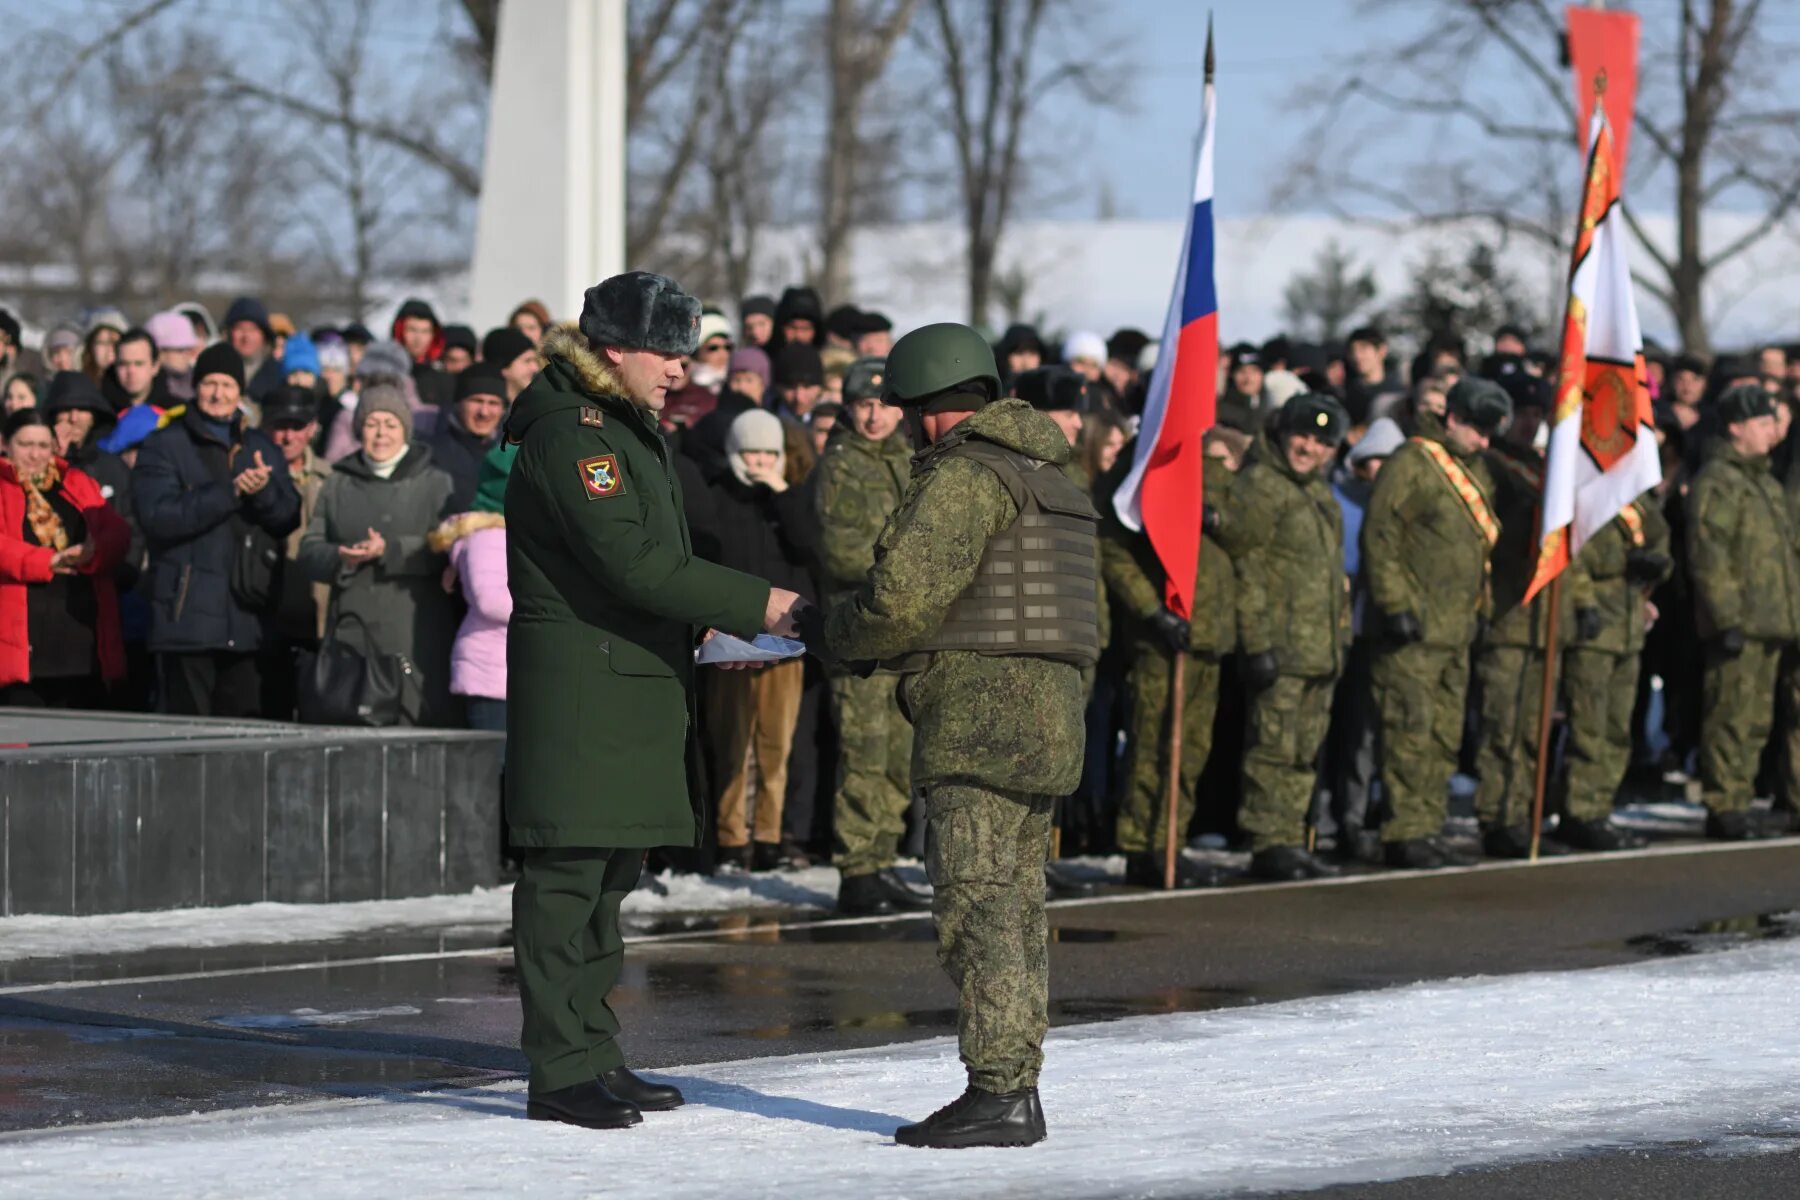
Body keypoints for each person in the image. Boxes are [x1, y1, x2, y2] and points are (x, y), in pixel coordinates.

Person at [502, 271, 804, 1131]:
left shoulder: (625, 426)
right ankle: (560, 1069)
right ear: (612, 351)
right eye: (666, 353)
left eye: (686, 352)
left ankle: (592, 1050)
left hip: (626, 677)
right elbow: (631, 564)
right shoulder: (574, 434)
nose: (681, 369)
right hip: (584, 691)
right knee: (566, 883)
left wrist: (707, 633)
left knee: (606, 882)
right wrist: (764, 604)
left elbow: (638, 572)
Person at [814, 322, 1098, 1149]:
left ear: (930, 408)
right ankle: (1016, 1083)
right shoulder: (1050, 478)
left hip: (978, 719)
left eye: (906, 409)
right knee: (1014, 906)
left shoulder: (967, 475)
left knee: (976, 909)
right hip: (1048, 718)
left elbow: (901, 599)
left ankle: (1000, 1092)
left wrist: (832, 633)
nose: (901, 424)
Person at [1363, 377, 1510, 868]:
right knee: (1409, 728)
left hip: (1456, 627)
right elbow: (1380, 536)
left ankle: (1427, 823)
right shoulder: (1414, 463)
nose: (1485, 443)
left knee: (1443, 733)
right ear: (1454, 419)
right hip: (1415, 627)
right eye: (1479, 431)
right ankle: (1404, 830)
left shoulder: (1475, 470)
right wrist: (1394, 604)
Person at [1215, 394, 1350, 880]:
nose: (1308, 447)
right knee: (1273, 747)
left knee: (1303, 749)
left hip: (1319, 648)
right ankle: (1270, 840)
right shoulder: (1263, 485)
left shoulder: (1317, 493)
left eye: (1320, 440)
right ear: (1281, 433)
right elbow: (1247, 565)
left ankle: (1291, 835)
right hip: (1281, 644)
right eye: (1301, 435)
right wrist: (1257, 642)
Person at [811, 358, 925, 915]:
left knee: (897, 755)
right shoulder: (841, 464)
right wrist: (900, 571)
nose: (874, 416)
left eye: (883, 405)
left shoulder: (910, 459)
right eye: (862, 406)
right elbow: (839, 547)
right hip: (859, 630)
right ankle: (858, 869)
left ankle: (881, 859)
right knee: (864, 752)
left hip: (903, 631)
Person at [133, 343, 300, 716]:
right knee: (186, 745)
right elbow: (158, 516)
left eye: (227, 384)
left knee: (242, 750)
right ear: (196, 386)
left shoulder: (260, 446)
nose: (218, 393)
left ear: (239, 391)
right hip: (185, 623)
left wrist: (263, 492)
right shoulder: (164, 445)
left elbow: (288, 515)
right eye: (210, 383)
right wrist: (232, 491)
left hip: (249, 623)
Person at [1103, 430, 1238, 889]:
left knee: (1192, 748)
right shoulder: (1144, 463)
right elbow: (1114, 549)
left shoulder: (1215, 465)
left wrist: (1215, 517)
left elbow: (1251, 533)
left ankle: (1171, 842)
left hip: (1207, 633)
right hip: (1161, 637)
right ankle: (1141, 845)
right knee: (1152, 742)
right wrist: (1152, 611)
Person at [1469, 370, 1591, 858]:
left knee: (1535, 729)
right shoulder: (1488, 467)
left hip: (1545, 619)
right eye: (1521, 414)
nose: (1529, 424)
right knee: (1504, 724)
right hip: (1508, 614)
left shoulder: (1547, 469)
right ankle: (1498, 817)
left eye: (1538, 415)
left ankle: (1525, 814)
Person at [694, 408, 819, 871]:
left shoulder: (790, 499)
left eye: (770, 452)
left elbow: (810, 545)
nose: (762, 462)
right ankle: (731, 840)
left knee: (776, 747)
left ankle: (768, 837)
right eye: (752, 452)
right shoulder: (718, 498)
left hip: (784, 651)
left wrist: (782, 494)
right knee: (731, 745)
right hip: (730, 644)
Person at [299, 385, 457, 727]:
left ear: (405, 430)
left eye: (390, 423)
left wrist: (391, 550)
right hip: (352, 631)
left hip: (415, 632)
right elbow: (309, 550)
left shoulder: (436, 483)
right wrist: (340, 556)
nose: (381, 433)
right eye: (372, 423)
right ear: (358, 430)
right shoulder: (337, 482)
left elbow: (448, 551)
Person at [1687, 385, 1800, 839]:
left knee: (1756, 722)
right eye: (1760, 423)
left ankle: (1740, 798)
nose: (1770, 432)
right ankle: (1725, 803)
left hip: (1774, 619)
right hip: (1742, 623)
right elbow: (1709, 554)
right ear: (1736, 427)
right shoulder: (1719, 480)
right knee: (1730, 715)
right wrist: (1725, 617)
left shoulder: (1765, 482)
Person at [1557, 488, 1670, 849]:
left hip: (1628, 624)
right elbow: (1570, 554)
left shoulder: (1633, 494)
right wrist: (1583, 601)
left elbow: (1659, 536)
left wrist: (1657, 565)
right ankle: (1580, 812)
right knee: (1589, 725)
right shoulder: (1587, 491)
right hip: (1595, 628)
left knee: (1617, 729)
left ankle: (1600, 807)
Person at [0, 409, 131, 706]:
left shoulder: (75, 482)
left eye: (43, 446)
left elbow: (118, 532)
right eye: (25, 444)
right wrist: (46, 561)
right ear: (5, 444)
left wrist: (94, 552)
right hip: (24, 647)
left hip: (80, 643)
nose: (35, 454)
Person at [1317, 416, 1403, 862]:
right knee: (1326, 726)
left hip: (1376, 634)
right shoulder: (1337, 500)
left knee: (1364, 733)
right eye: (1377, 462)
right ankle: (1318, 818)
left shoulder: (1400, 508)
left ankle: (1353, 815)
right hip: (1335, 632)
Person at [429, 442, 515, 734]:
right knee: (497, 768)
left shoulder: (517, 533)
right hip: (491, 676)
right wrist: (553, 611)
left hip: (511, 671)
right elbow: (489, 600)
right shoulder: (489, 535)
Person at [263, 387, 333, 716]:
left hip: (316, 617)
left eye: (297, 426)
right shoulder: (255, 474)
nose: (288, 436)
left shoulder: (332, 478)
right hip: (267, 616)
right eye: (280, 426)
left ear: (312, 428)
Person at [430, 364, 506, 513]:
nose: (484, 412)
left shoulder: (511, 456)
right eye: (476, 401)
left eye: (493, 403)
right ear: (458, 404)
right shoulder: (433, 454)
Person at [221, 297, 287, 404]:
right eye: (240, 329)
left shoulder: (280, 375)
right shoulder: (215, 372)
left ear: (264, 336)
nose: (246, 336)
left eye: (253, 329)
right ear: (228, 334)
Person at [392, 298, 452, 409]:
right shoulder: (386, 375)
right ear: (399, 331)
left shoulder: (444, 381)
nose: (418, 338)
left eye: (425, 331)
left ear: (434, 335)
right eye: (412, 330)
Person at [482, 327, 541, 403]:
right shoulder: (488, 410)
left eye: (535, 361)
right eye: (527, 361)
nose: (535, 368)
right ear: (504, 367)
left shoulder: (534, 404)